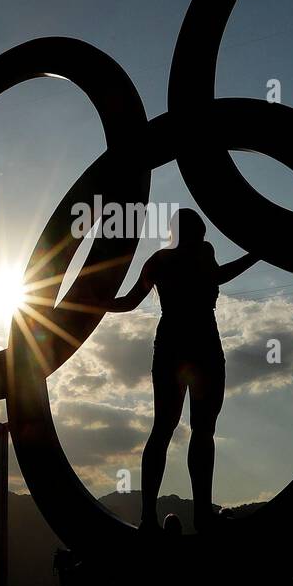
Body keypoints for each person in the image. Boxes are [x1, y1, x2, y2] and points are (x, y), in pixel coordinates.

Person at [100, 208, 257, 532]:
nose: (201, 237)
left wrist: (92, 303)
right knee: (184, 430)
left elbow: (128, 301)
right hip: (195, 347)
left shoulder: (171, 258)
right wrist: (256, 255)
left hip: (186, 347)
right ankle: (173, 517)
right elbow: (131, 300)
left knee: (178, 430)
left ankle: (163, 518)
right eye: (197, 230)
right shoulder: (176, 258)